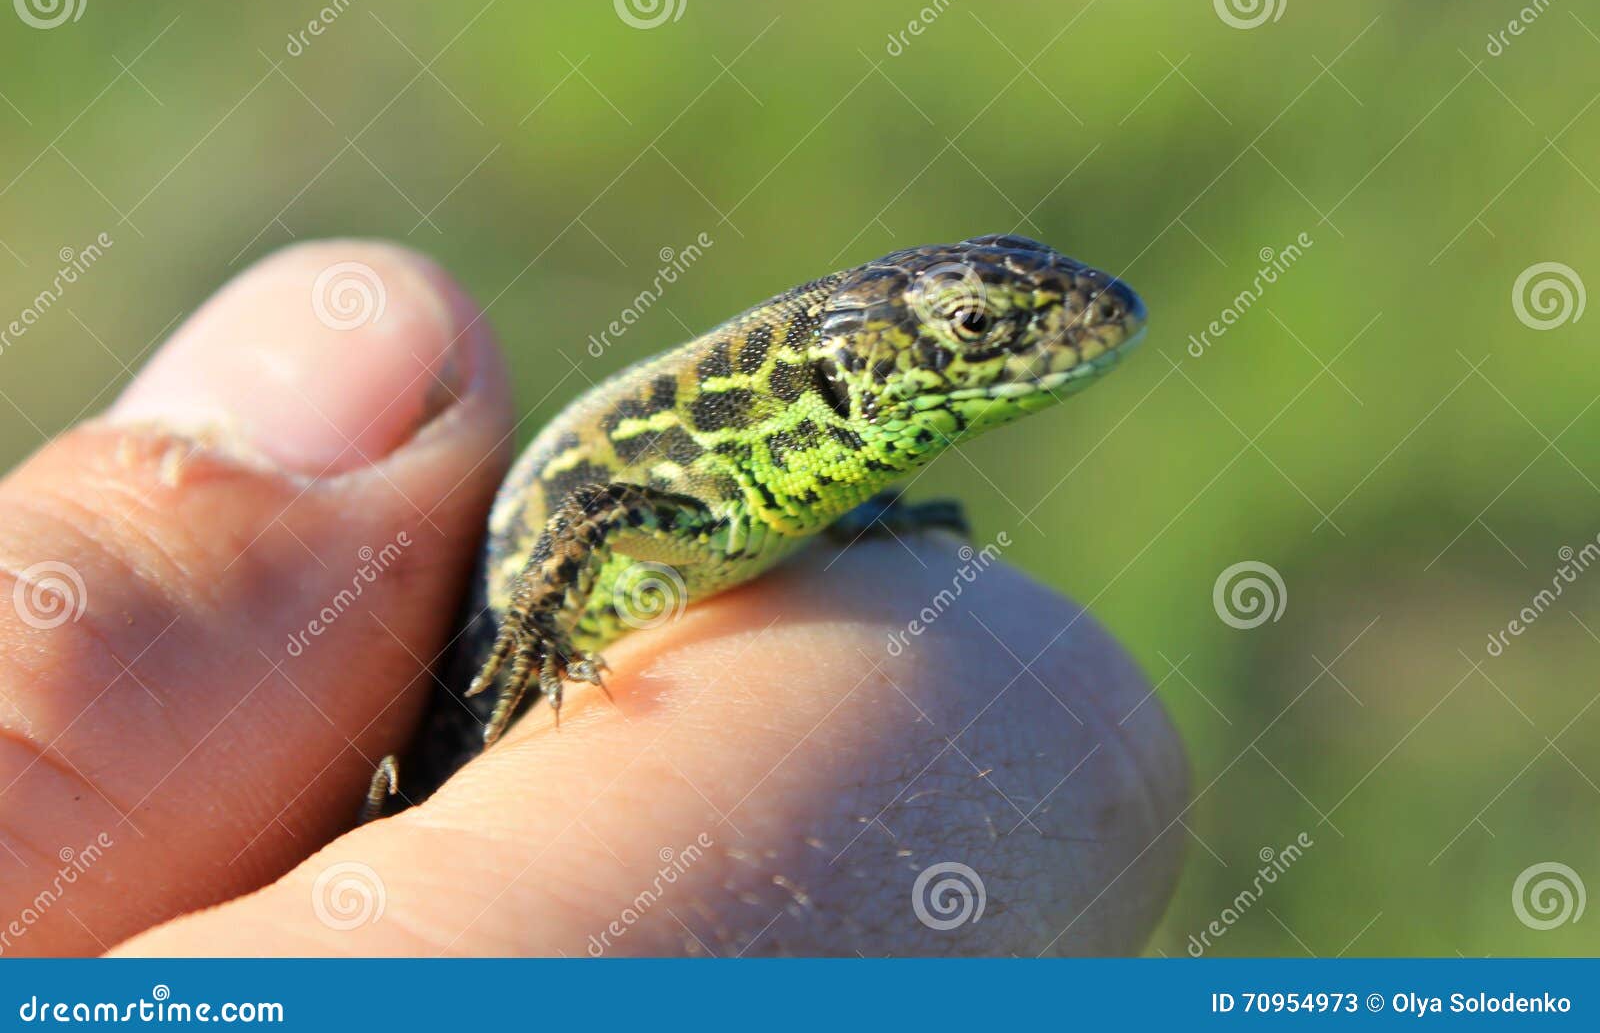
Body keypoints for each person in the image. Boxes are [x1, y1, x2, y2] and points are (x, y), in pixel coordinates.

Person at [0, 241, 1186, 956]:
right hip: (443, 737)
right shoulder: (716, 483)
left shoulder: (798, 466)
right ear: (842, 373)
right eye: (978, 329)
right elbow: (592, 516)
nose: (1062, 329)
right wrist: (534, 632)